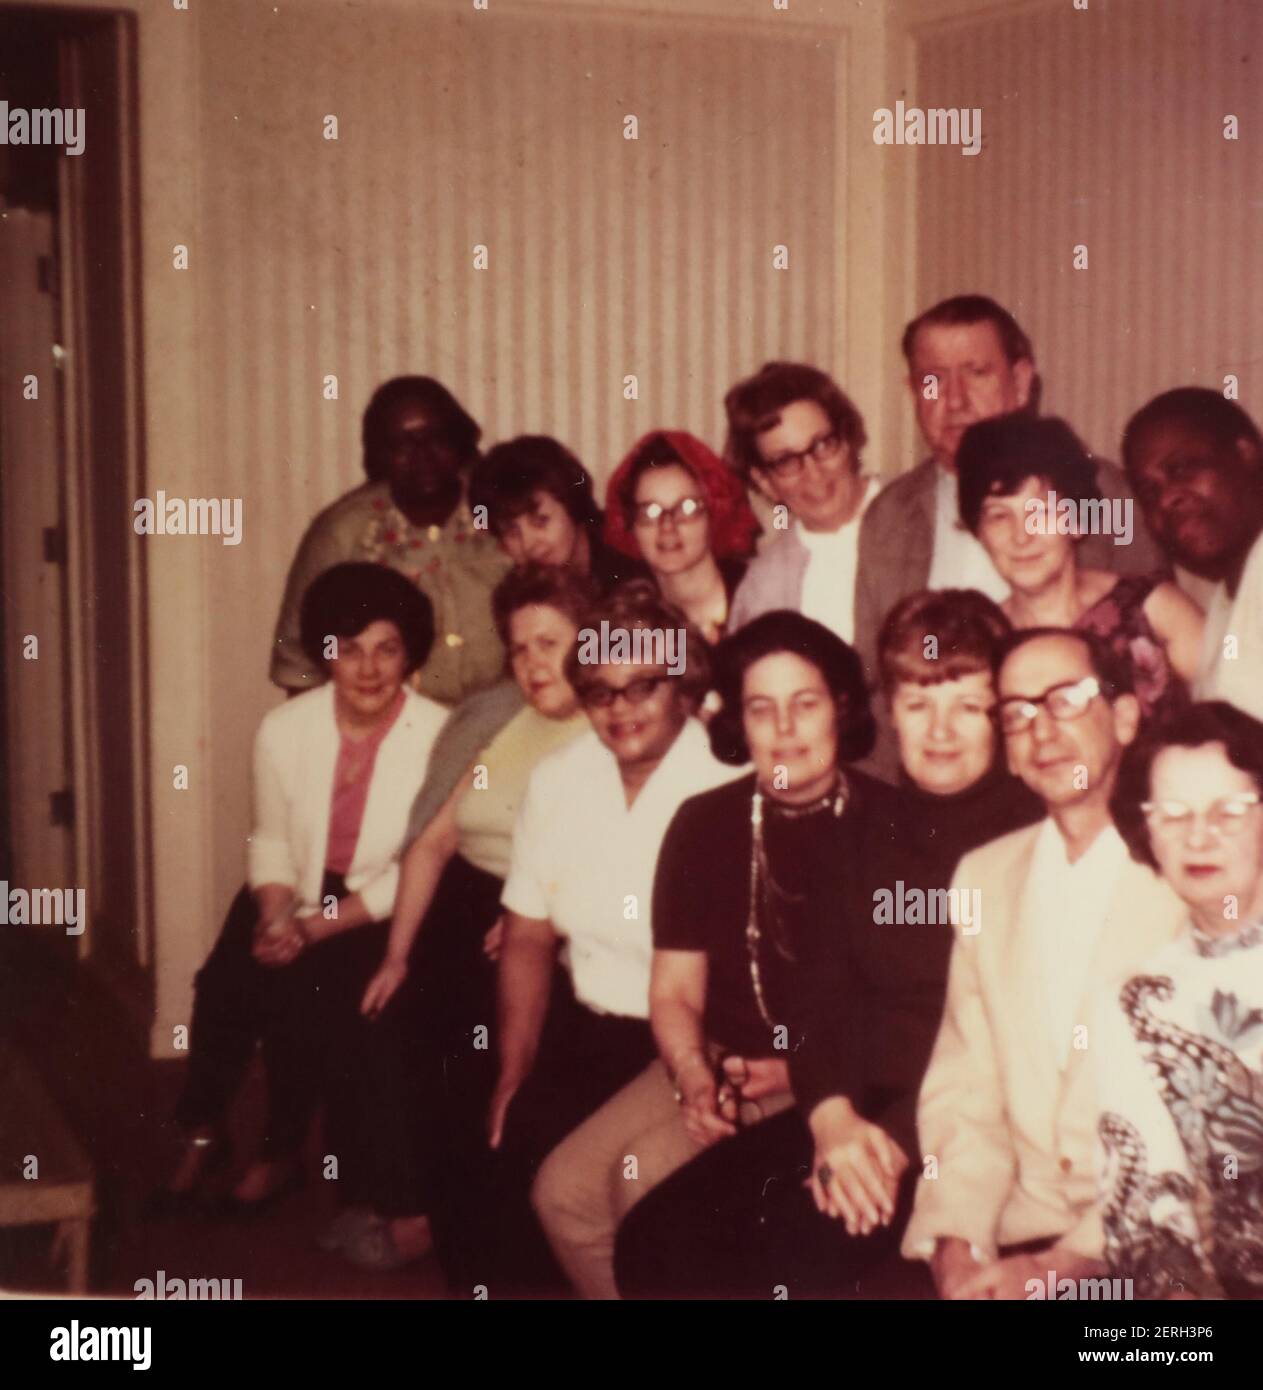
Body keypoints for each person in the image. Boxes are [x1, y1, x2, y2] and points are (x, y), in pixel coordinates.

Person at [613, 590, 1043, 1298]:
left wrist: (888, 1142)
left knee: (780, 1259)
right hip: (855, 1107)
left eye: (965, 705)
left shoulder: (1027, 832)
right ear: (888, 709)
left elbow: (998, 1047)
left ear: (999, 714)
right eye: (917, 703)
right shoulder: (864, 829)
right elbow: (817, 1001)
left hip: (963, 1124)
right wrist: (831, 1117)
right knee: (657, 1239)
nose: (938, 732)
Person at [532, 611, 884, 1298]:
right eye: (762, 709)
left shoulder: (890, 828)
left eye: (804, 705)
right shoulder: (703, 824)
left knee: (643, 1194)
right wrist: (693, 1076)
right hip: (717, 1060)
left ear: (840, 708)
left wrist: (791, 1072)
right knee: (562, 1194)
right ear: (737, 722)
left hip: (833, 1081)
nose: (783, 730)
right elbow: (673, 992)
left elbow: (907, 1014)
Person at [465, 580, 740, 1295]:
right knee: (498, 1155)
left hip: (691, 1038)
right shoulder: (557, 781)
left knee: (617, 1193)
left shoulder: (727, 776)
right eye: (598, 691)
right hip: (587, 1027)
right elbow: (526, 937)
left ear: (684, 686)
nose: (619, 709)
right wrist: (513, 1070)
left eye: (641, 686)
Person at [901, 627, 1187, 1300]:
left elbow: (1207, 1116)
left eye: (1063, 701)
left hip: (1158, 1244)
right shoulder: (982, 876)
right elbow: (964, 1090)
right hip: (1013, 1230)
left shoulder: (1191, 870)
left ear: (1122, 717)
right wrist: (956, 1248)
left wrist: (1066, 1266)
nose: (1040, 731)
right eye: (1017, 714)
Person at [331, 564, 595, 1273]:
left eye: (550, 642)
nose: (534, 663)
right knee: (391, 1015)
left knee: (483, 1066)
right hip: (463, 905)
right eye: (519, 648)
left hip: (534, 926)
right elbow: (435, 839)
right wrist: (397, 952)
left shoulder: (608, 731)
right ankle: (431, 1217)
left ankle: (482, 1241)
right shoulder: (497, 720)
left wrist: (544, 918)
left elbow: (619, 858)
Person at [160, 564, 447, 1214]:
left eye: (386, 649)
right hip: (292, 883)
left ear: (410, 653)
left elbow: (415, 867)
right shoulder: (284, 729)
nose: (368, 669)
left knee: (302, 995)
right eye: (349, 651)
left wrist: (314, 928)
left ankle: (277, 1152)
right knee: (226, 983)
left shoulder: (437, 735)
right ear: (325, 654)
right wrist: (273, 917)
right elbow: (270, 840)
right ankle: (203, 1132)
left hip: (381, 902)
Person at [854, 295, 1164, 687]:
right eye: (932, 381)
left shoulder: (1106, 494)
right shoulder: (889, 515)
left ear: (1020, 383)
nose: (954, 401)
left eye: (977, 373)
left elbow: (1154, 656)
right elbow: (878, 687)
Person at [1098, 701, 1263, 1299]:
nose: (1199, 836)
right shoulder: (1138, 1003)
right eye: (1173, 815)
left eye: (1229, 811)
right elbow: (1149, 1215)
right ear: (1147, 832)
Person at [270, 376, 509, 705]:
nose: (421, 455)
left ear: (458, 440)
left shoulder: (500, 510)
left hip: (501, 724)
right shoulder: (342, 533)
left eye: (434, 437)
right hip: (391, 731)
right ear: (378, 453)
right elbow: (300, 666)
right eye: (401, 443)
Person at [956, 412, 1204, 724]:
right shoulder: (980, 643)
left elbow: (1244, 716)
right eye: (999, 516)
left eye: (1041, 512)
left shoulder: (1155, 609)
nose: (1021, 536)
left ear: (1076, 521)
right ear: (979, 532)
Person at [1122, 389, 1263, 722]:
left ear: (1245, 454)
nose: (1166, 498)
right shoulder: (1228, 600)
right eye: (1149, 491)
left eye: (1182, 470)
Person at [721, 361, 878, 644]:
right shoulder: (764, 587)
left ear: (846, 441)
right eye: (786, 461)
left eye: (822, 445)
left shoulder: (916, 511)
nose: (814, 473)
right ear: (765, 482)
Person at [603, 430, 759, 643]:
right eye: (649, 512)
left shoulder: (759, 597)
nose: (667, 526)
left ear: (713, 514)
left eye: (686, 508)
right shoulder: (626, 618)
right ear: (630, 525)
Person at [468, 434, 644, 593]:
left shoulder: (632, 571)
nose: (529, 544)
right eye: (512, 532)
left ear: (572, 504)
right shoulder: (516, 593)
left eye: (541, 521)